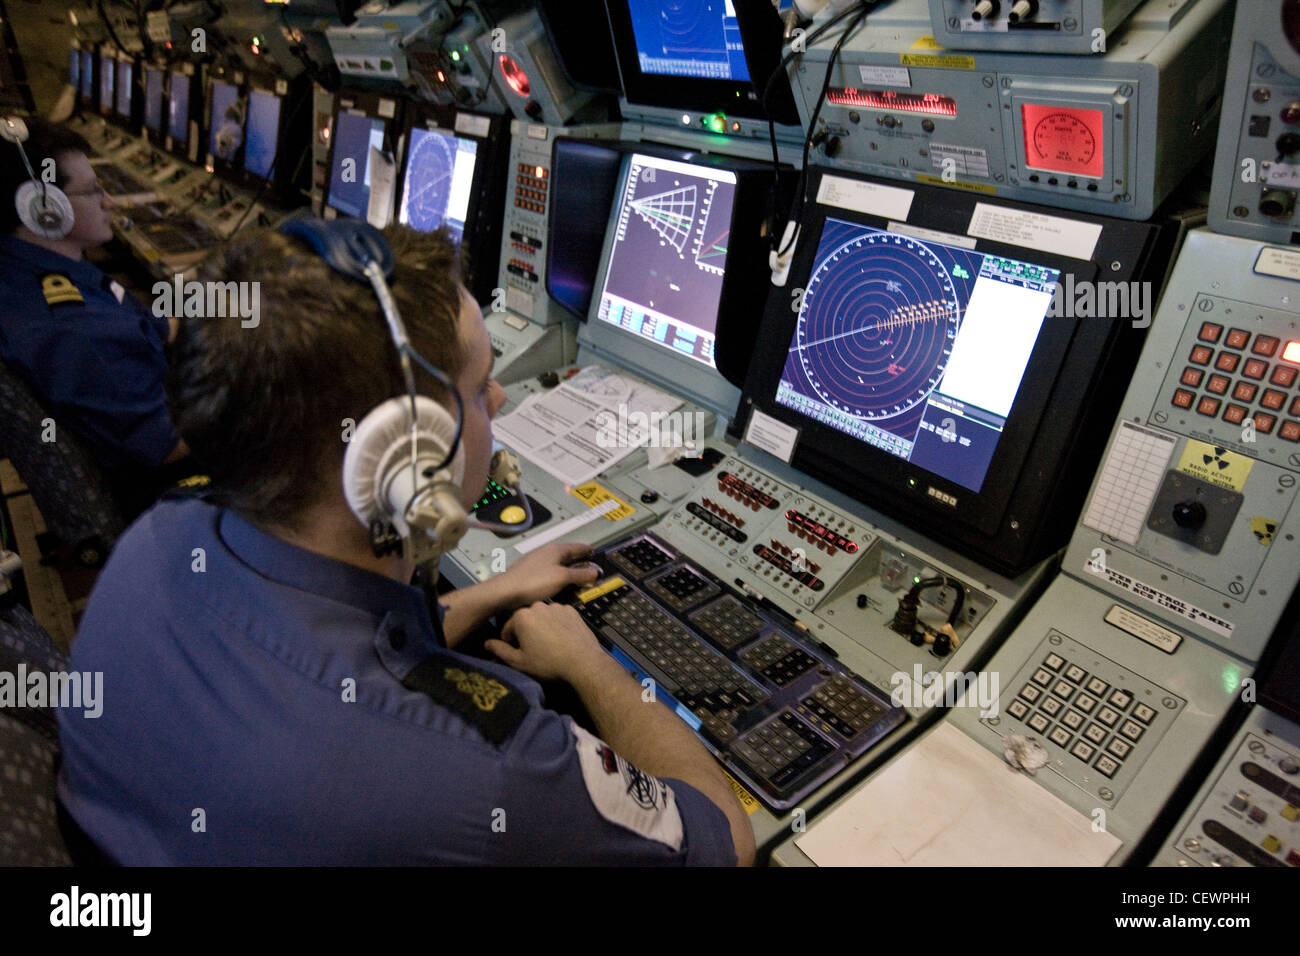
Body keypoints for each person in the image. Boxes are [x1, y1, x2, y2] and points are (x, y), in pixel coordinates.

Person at [56, 222, 756, 865]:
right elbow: (720, 839)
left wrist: (492, 592)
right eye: (481, 388)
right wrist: (592, 666)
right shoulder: (492, 769)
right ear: (407, 454)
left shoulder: (158, 538)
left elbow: (334, 647)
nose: (502, 402)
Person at [0, 117, 189, 518]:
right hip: (169, 483)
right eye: (91, 191)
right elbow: (168, 446)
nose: (110, 201)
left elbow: (153, 328)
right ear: (43, 211)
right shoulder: (74, 329)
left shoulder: (40, 273)